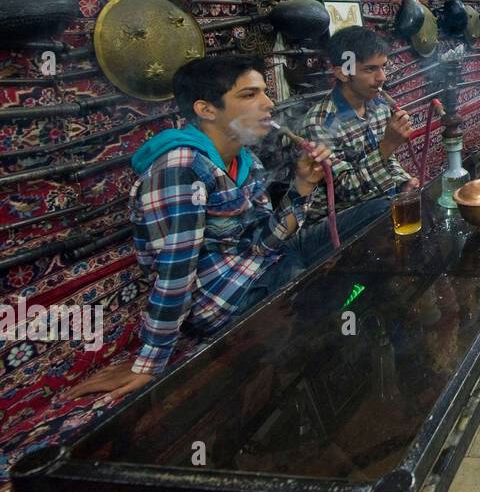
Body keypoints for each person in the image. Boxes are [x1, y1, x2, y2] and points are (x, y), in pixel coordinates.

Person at [76, 56, 334, 401]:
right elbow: (175, 269)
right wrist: (151, 361)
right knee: (333, 295)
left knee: (371, 221)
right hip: (229, 296)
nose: (269, 104)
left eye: (265, 93)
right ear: (206, 109)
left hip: (266, 263)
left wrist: (303, 185)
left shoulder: (246, 160)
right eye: (249, 95)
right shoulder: (182, 168)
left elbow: (262, 243)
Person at [298, 27, 418, 226]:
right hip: (338, 220)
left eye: (383, 67)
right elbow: (347, 190)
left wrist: (402, 181)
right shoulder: (320, 124)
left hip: (379, 202)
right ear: (343, 73)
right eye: (370, 69)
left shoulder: (379, 106)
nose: (382, 77)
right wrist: (387, 145)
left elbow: (389, 161)